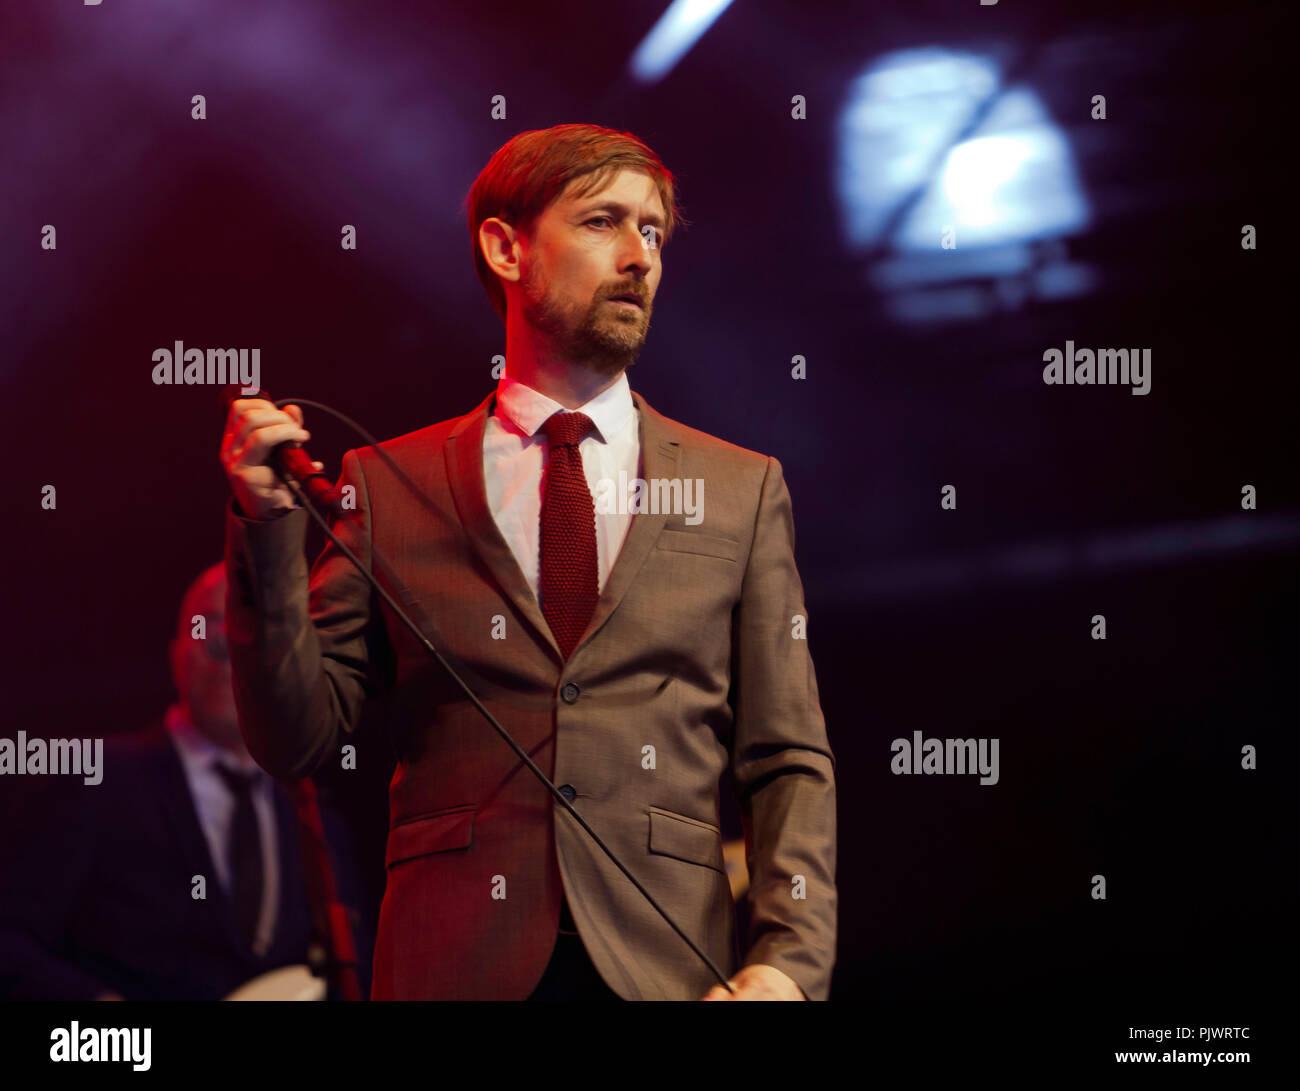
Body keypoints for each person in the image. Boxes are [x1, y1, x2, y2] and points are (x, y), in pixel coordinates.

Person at [220, 123, 836, 1001]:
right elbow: (295, 737)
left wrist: (788, 960)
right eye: (602, 222)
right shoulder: (387, 485)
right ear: (507, 248)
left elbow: (788, 758)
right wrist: (264, 521)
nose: (638, 257)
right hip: (453, 967)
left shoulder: (741, 488)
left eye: (653, 231)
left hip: (670, 969)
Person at [0, 564, 371, 1001]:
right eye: (209, 629)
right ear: (175, 654)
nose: (225, 648)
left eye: (249, 634)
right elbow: (10, 943)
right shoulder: (92, 781)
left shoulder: (315, 817)